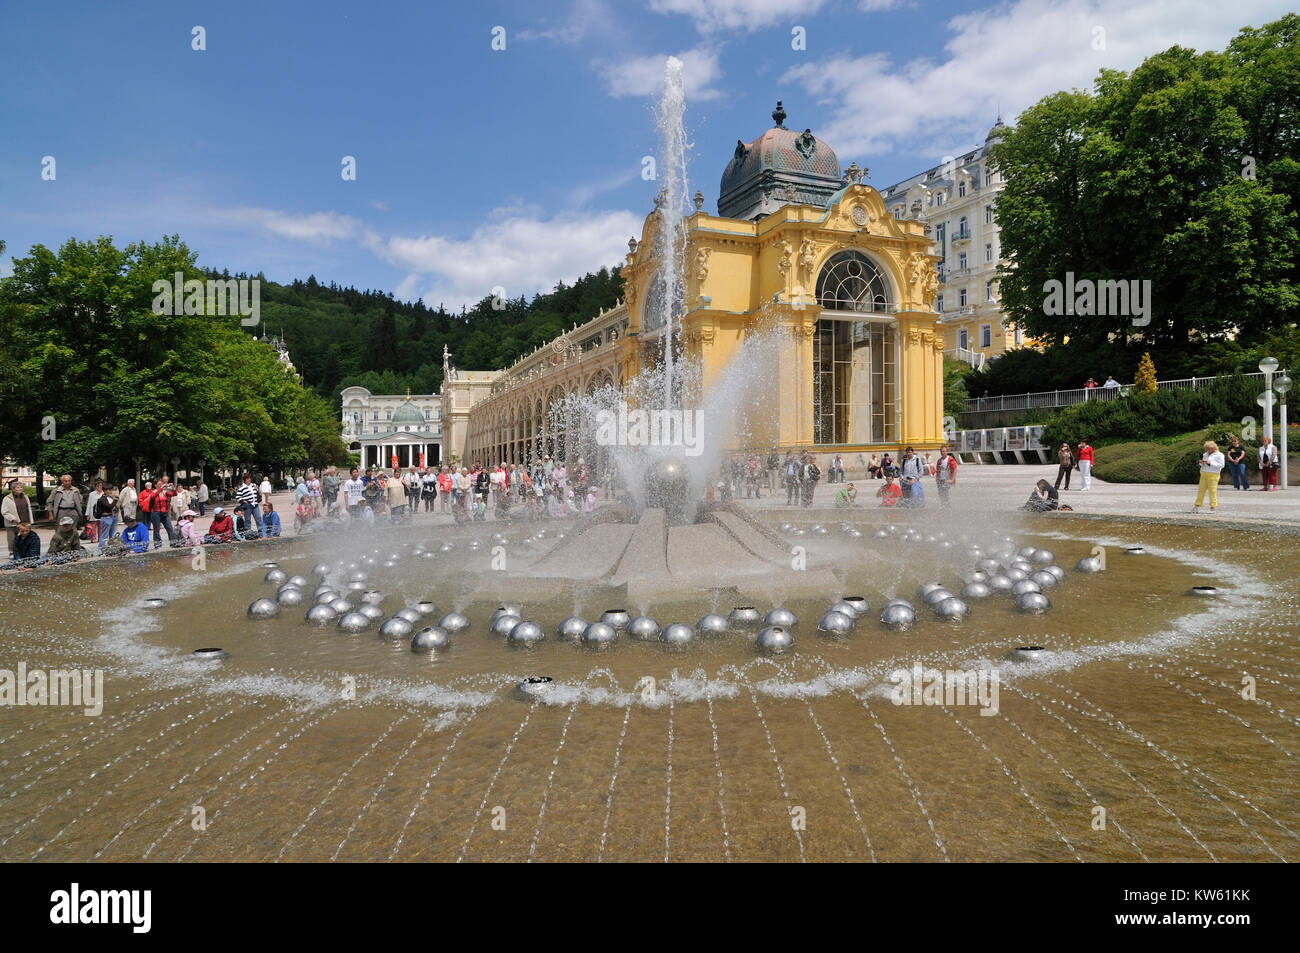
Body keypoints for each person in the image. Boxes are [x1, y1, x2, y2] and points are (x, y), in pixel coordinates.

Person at [1191, 440, 1225, 512]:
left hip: (1213, 474)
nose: (1207, 450)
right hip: (1204, 473)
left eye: (1209, 448)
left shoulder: (1220, 455)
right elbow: (1203, 464)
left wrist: (1210, 463)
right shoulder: (1205, 454)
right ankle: (1197, 505)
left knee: (1212, 491)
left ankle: (1213, 506)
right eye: (1206, 448)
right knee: (1201, 490)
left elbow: (1222, 465)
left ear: (1213, 448)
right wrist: (1201, 463)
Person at [3, 480, 33, 559]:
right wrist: (12, 518)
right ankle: (12, 552)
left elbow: (28, 508)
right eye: (18, 487)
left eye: (21, 487)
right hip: (13, 522)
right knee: (12, 538)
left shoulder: (25, 496)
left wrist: (30, 520)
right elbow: (4, 511)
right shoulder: (7, 498)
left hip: (25, 521)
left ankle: (25, 551)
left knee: (25, 537)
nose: (20, 489)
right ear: (13, 489)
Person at [95, 485, 120, 554]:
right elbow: (109, 506)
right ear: (104, 491)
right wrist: (116, 499)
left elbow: (113, 507)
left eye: (110, 490)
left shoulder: (110, 497)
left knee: (113, 535)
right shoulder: (103, 498)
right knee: (104, 535)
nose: (109, 491)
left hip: (113, 517)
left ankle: (113, 549)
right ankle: (101, 550)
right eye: (107, 490)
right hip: (106, 518)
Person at [84, 480, 103, 545]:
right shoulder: (92, 494)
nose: (99, 487)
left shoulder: (104, 493)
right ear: (96, 487)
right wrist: (87, 514)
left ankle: (101, 538)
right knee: (93, 526)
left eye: (101, 486)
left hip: (102, 512)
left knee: (101, 526)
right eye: (98, 486)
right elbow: (89, 504)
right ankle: (94, 538)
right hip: (93, 512)